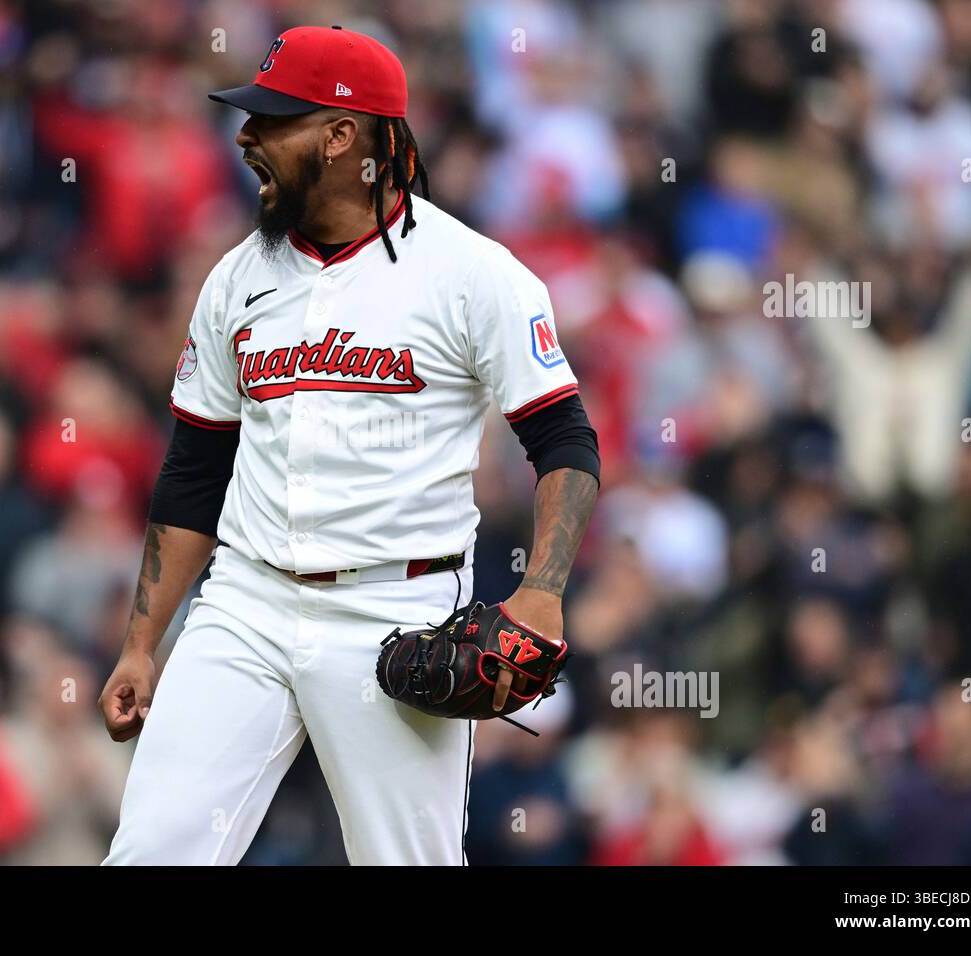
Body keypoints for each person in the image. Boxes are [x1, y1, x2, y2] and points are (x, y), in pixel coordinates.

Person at [99, 25, 601, 866]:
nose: (246, 138)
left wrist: (542, 592)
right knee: (153, 851)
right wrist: (142, 644)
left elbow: (564, 439)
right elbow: (194, 469)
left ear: (340, 136)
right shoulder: (236, 278)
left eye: (272, 121)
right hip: (245, 604)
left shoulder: (473, 274)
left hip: (395, 611)